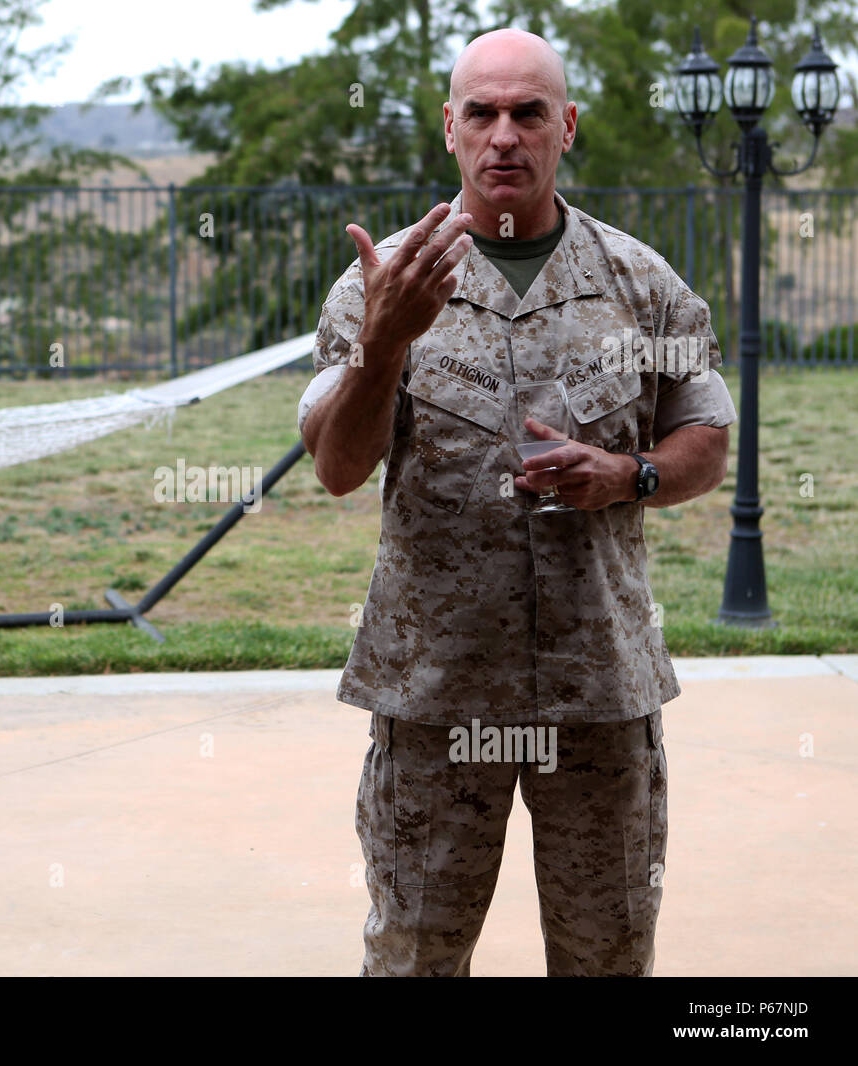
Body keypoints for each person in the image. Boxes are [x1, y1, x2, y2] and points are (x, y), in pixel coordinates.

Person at [299, 28, 737, 976]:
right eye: (483, 113)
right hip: (436, 694)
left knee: (607, 954)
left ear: (566, 127)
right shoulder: (385, 285)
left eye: (528, 112)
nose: (505, 134)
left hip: (598, 695)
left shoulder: (639, 284)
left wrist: (631, 476)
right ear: (449, 129)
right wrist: (384, 346)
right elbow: (336, 467)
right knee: (417, 955)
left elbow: (707, 437)